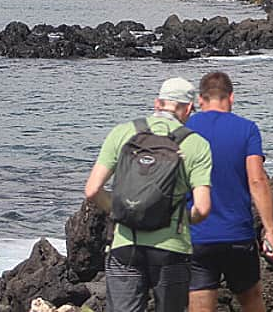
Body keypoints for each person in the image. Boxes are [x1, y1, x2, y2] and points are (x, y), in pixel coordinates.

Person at [83, 77, 213, 312]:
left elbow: (92, 190)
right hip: (171, 247)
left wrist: (118, 210)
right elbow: (203, 208)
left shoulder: (122, 133)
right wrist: (183, 218)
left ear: (157, 103)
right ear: (189, 109)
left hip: (125, 243)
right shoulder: (196, 144)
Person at [185, 71, 273, 312]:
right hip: (237, 234)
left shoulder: (185, 129)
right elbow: (257, 180)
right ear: (231, 97)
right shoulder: (247, 129)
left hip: (196, 233)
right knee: (252, 303)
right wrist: (270, 230)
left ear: (200, 100)